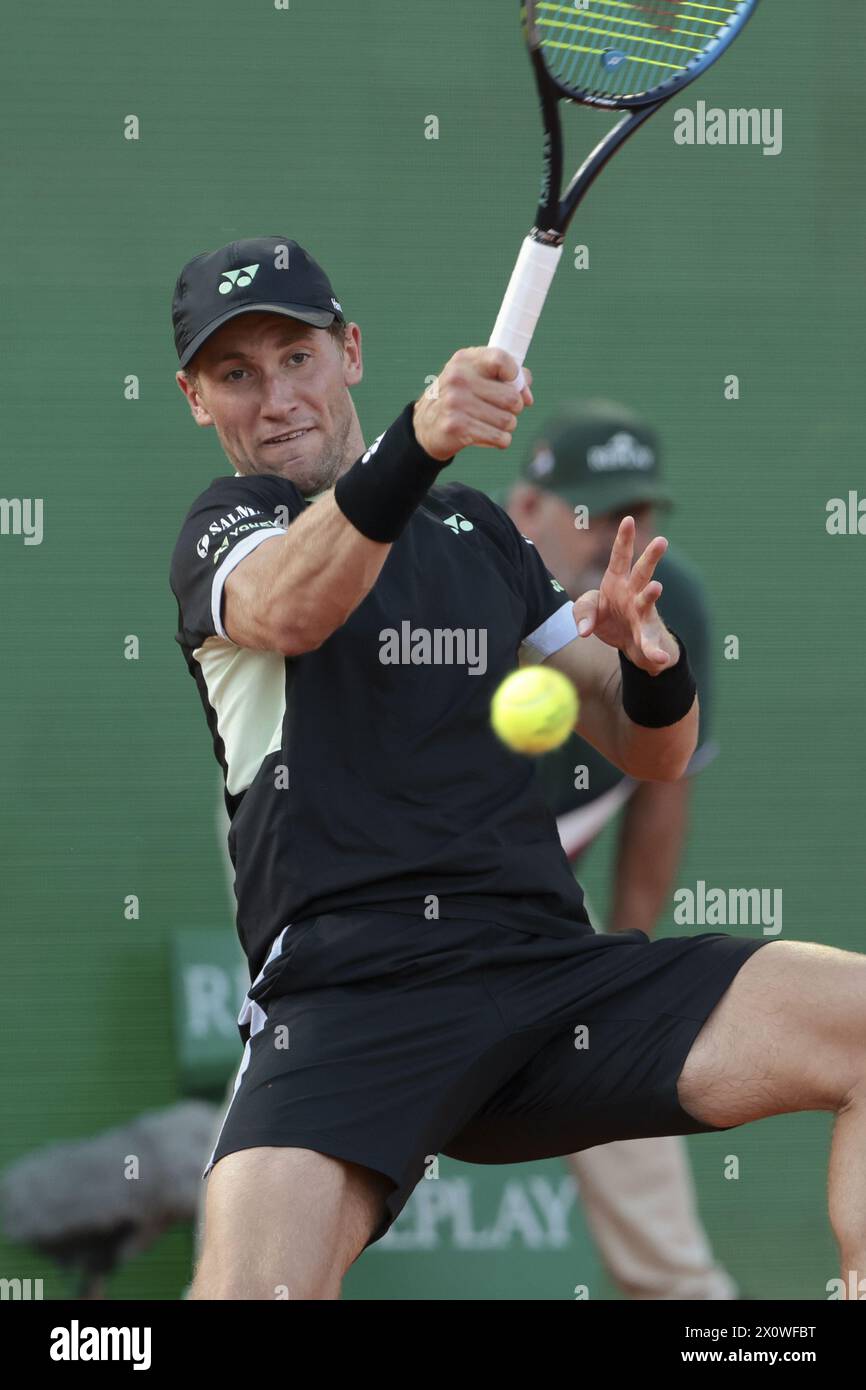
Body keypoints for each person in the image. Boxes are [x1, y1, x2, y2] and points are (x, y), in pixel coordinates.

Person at [169, 236, 866, 1301]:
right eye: (236, 374)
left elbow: (649, 748)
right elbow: (292, 609)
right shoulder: (229, 533)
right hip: (351, 998)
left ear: (348, 352)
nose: (275, 398)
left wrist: (649, 665)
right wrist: (416, 440)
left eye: (296, 358)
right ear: (194, 399)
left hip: (547, 979)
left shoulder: (475, 530)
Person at [502, 403, 736, 1300]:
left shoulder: (674, 618)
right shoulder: (459, 588)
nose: (618, 539)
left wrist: (624, 956)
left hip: (540, 899)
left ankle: (700, 1317)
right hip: (379, 896)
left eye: (639, 513)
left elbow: (663, 789)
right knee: (301, 1112)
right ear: (527, 508)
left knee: (630, 1070)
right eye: (593, 514)